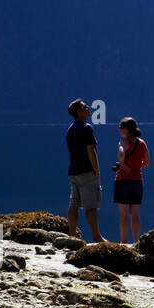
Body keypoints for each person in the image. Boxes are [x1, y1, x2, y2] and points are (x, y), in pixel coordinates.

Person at [65, 99, 105, 242]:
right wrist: (96, 169)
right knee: (91, 206)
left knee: (74, 204)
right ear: (78, 112)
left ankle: (72, 236)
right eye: (84, 106)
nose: (88, 107)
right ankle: (97, 237)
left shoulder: (70, 129)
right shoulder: (87, 127)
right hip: (86, 171)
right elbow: (90, 149)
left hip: (73, 171)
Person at [113, 117, 150, 246]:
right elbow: (147, 162)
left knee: (123, 215)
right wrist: (136, 167)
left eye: (120, 127)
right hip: (137, 181)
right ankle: (136, 242)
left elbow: (121, 154)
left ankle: (123, 242)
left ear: (126, 129)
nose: (118, 129)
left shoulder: (123, 141)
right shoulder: (142, 143)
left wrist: (123, 165)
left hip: (123, 180)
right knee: (135, 214)